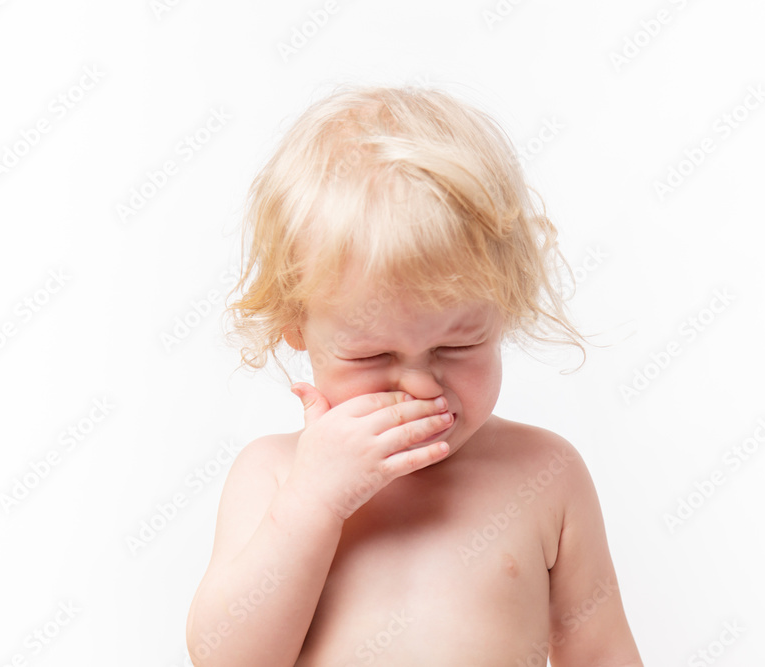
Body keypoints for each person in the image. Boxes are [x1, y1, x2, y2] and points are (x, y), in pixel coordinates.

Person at [186, 83, 644, 667]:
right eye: (373, 356)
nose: (422, 386)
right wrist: (314, 501)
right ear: (296, 327)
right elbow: (226, 659)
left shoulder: (546, 475)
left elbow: (601, 652)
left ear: (504, 309)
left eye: (458, 345)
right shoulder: (276, 474)